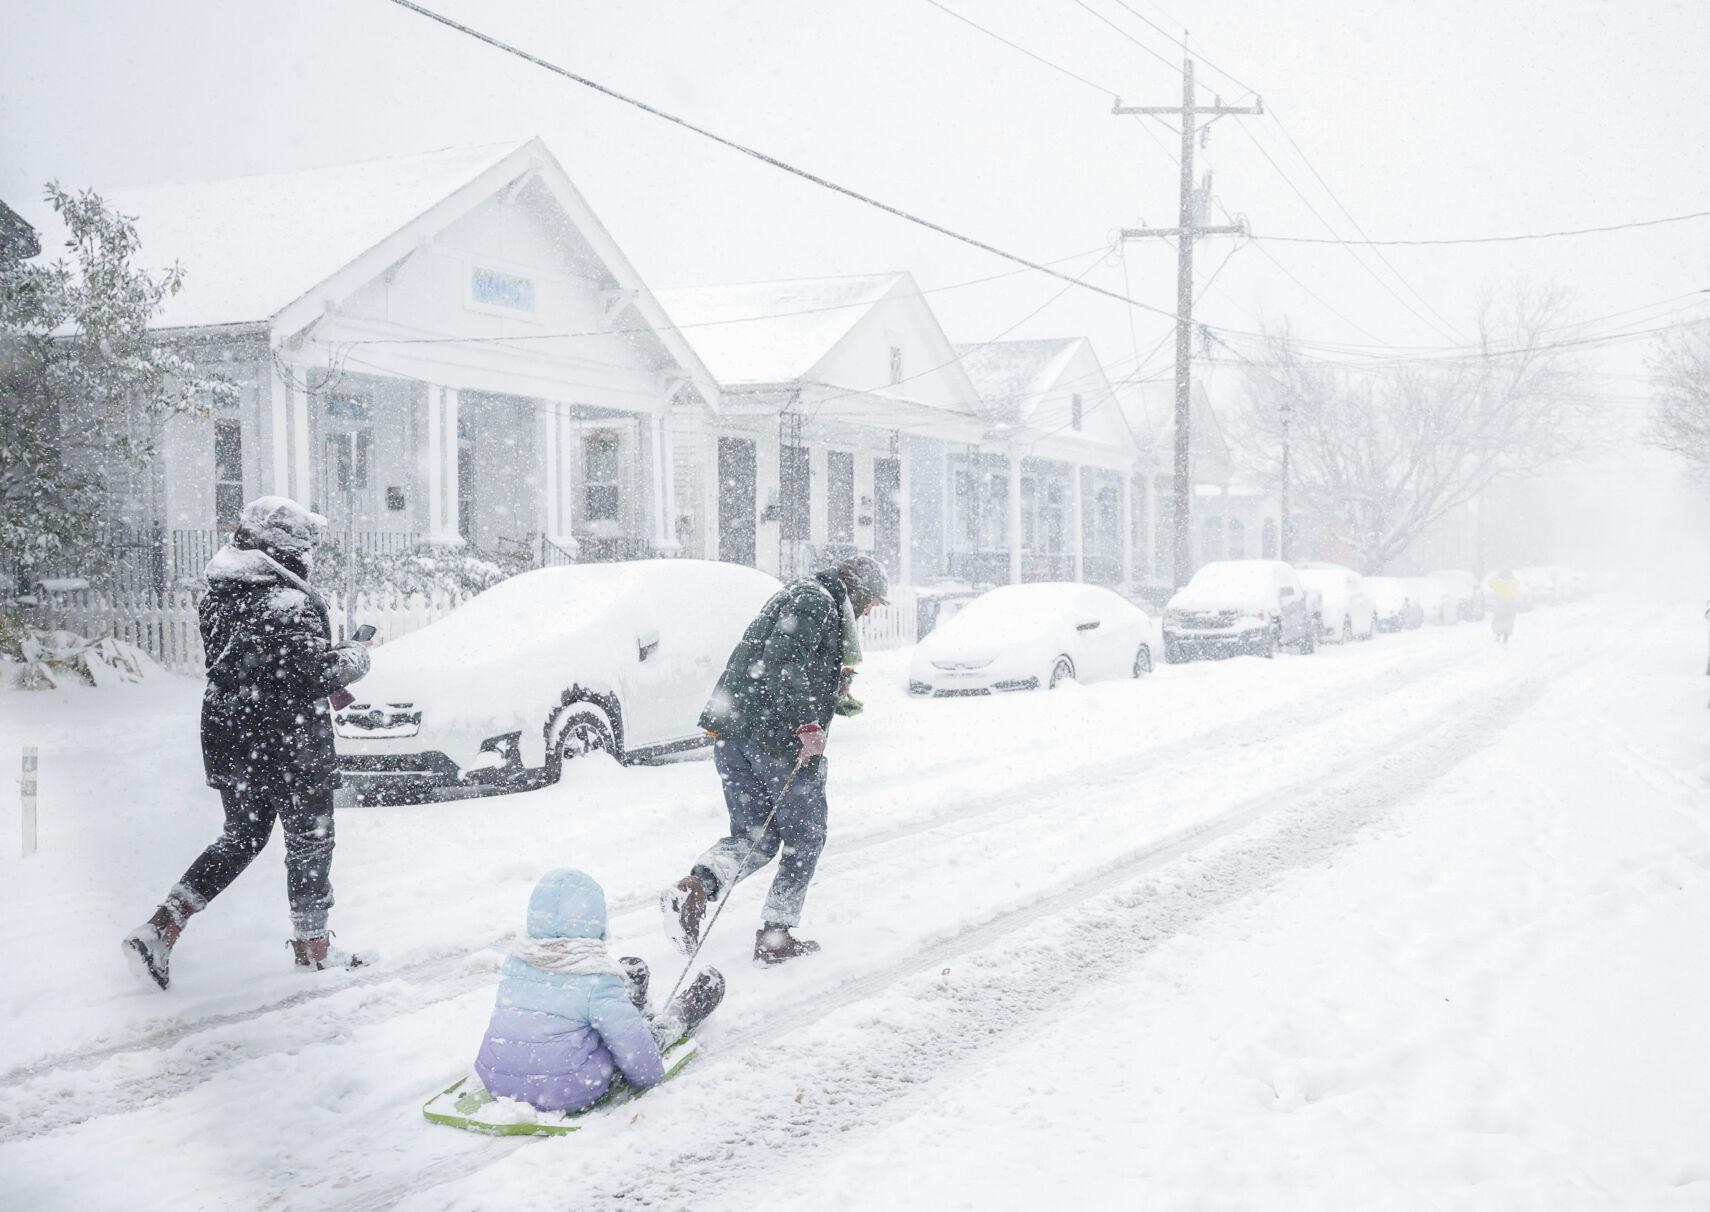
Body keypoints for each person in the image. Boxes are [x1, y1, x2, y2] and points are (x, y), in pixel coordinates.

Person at [122, 496, 373, 990]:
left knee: (241, 837)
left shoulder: (219, 595)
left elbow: (253, 663)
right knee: (309, 838)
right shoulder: (286, 600)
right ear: (283, 547)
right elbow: (311, 673)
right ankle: (313, 949)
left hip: (232, 734)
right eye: (305, 545)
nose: (310, 554)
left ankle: (162, 927)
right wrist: (355, 656)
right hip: (289, 740)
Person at [661, 554, 888, 966]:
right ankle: (775, 935)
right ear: (856, 590)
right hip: (775, 738)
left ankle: (695, 888)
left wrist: (832, 691)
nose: (871, 612)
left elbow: (782, 660)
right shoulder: (816, 601)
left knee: (756, 836)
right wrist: (807, 724)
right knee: (806, 837)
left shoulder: (802, 596)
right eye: (871, 602)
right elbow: (785, 664)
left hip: (736, 734)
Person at [474, 868, 724, 1113]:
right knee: (627, 1036)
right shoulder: (595, 976)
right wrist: (650, 1073)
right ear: (594, 919)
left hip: (497, 1082)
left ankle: (627, 1001)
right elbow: (636, 1053)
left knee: (575, 1016)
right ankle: (681, 1015)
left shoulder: (517, 962)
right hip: (568, 1089)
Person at [1488, 569, 1520, 645]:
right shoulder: (1513, 583)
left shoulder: (1499, 583)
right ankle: (1506, 636)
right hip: (1510, 604)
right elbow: (1517, 583)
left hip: (1501, 604)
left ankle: (1498, 634)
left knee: (1499, 619)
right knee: (1508, 620)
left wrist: (1497, 576)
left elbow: (1490, 583)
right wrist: (1512, 577)